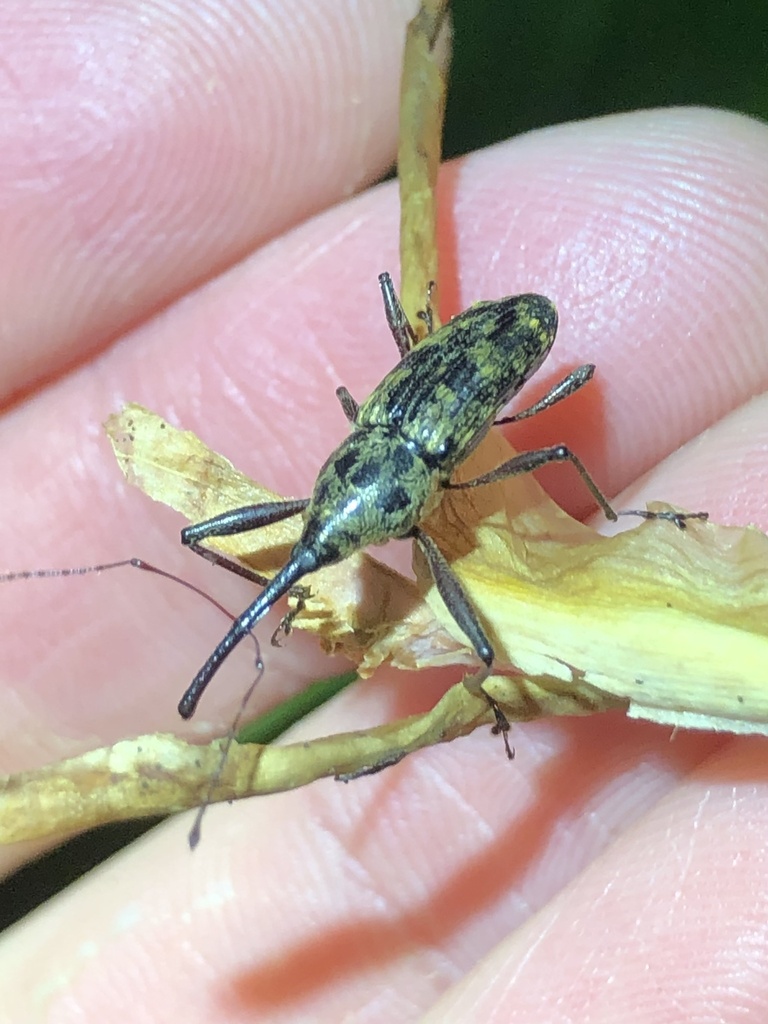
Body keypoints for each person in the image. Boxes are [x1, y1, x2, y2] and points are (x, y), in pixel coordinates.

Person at [2, 2, 768, 1020]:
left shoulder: (406, 482)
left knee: (514, 531)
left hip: (483, 363)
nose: (309, 551)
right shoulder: (370, 483)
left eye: (321, 535)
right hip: (418, 421)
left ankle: (626, 527)